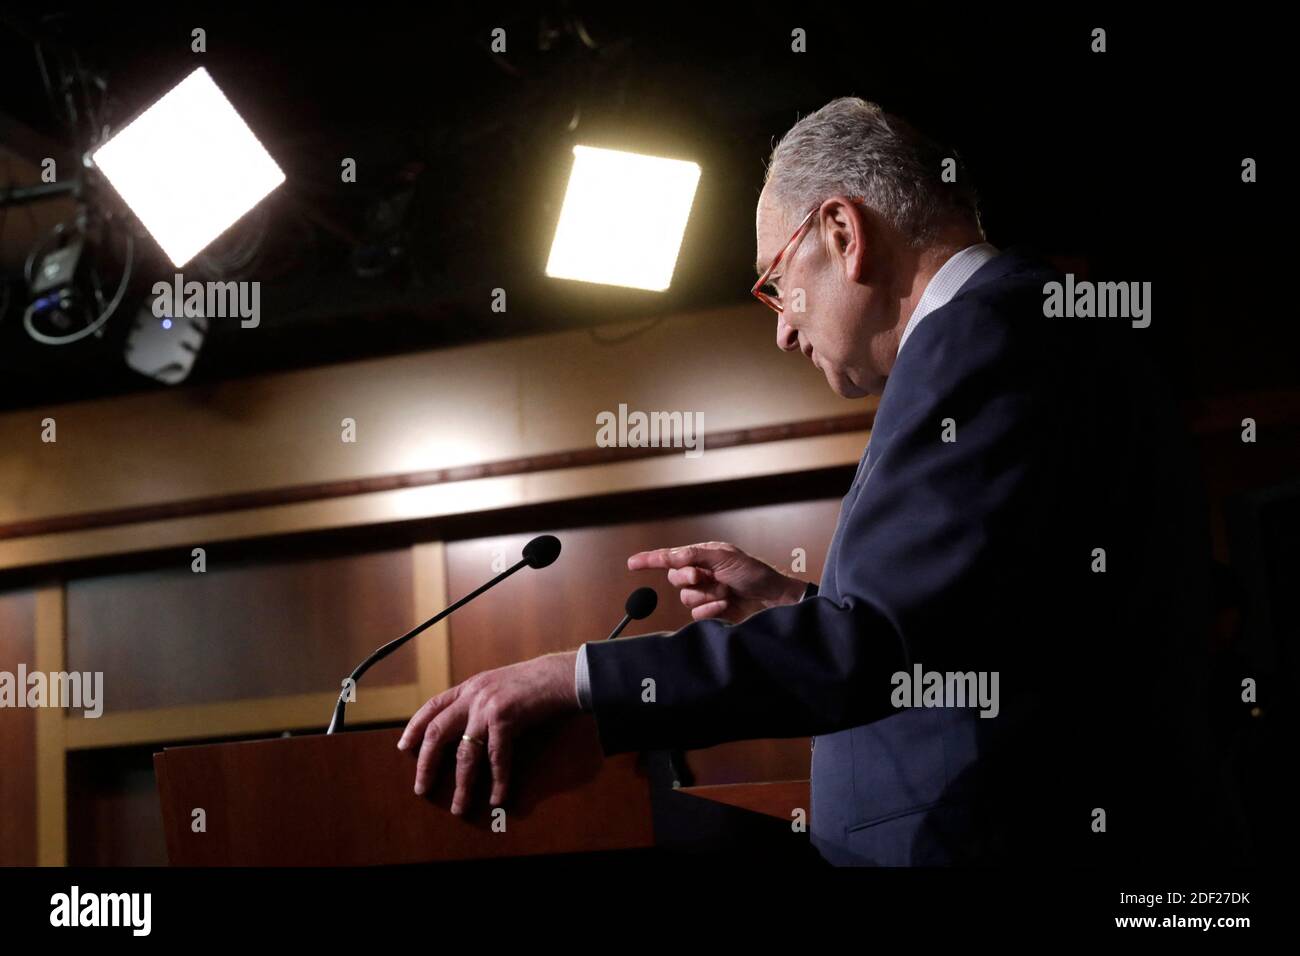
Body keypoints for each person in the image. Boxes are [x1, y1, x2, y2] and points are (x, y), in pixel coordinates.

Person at [398, 97, 1246, 865]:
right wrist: (795, 608)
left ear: (842, 231)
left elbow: (871, 652)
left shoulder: (979, 337)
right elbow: (977, 628)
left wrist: (569, 677)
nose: (782, 333)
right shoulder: (1018, 329)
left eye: (775, 285)